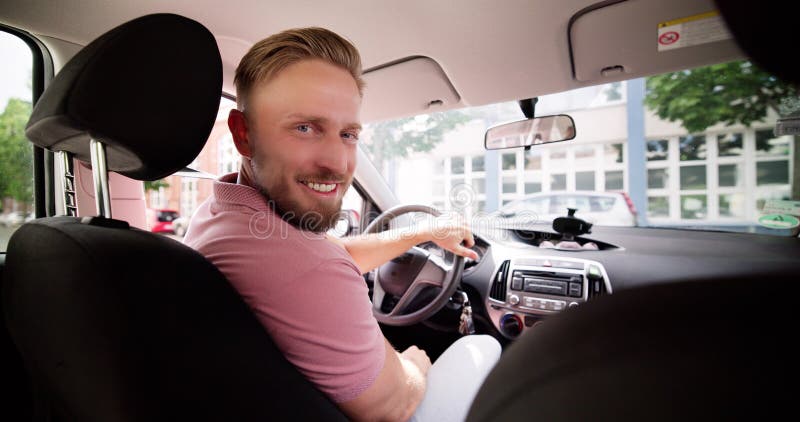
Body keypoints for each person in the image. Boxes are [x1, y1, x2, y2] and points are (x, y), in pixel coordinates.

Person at [183, 27, 501, 421]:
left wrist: (423, 232)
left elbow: (334, 252)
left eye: (348, 133)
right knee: (484, 347)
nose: (337, 162)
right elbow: (393, 406)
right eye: (305, 128)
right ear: (243, 134)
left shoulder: (224, 213)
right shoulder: (305, 268)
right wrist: (416, 363)